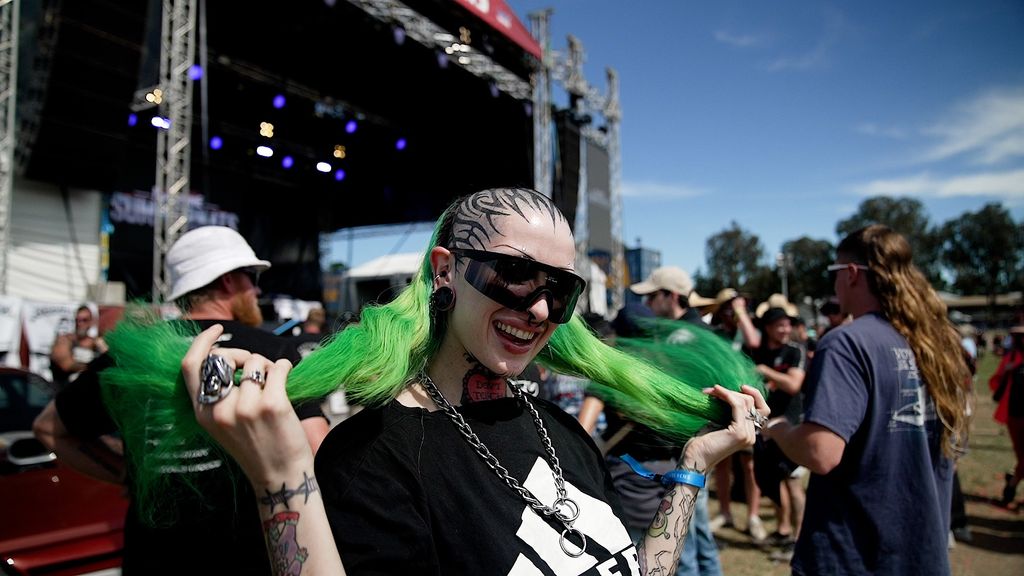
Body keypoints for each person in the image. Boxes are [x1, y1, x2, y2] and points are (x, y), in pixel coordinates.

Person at [105, 188, 770, 575]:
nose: (537, 309)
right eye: (512, 275)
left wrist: (691, 467)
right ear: (447, 269)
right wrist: (282, 479)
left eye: (560, 290)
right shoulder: (375, 457)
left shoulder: (565, 434)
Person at [32, 225, 330, 576]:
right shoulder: (273, 353)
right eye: (251, 277)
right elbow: (318, 449)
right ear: (228, 281)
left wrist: (130, 475)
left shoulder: (130, 356)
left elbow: (49, 428)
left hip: (152, 560)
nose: (257, 288)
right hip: (246, 558)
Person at [762, 224, 971, 575]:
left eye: (834, 273)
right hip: (921, 552)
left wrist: (779, 429)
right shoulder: (937, 343)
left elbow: (821, 452)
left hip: (855, 555)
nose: (834, 284)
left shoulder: (846, 343)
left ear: (852, 274)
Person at [703, 288, 764, 541]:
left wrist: (741, 312)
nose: (733, 310)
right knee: (722, 462)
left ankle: (753, 516)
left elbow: (754, 342)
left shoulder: (748, 328)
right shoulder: (716, 334)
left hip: (747, 404)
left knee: (749, 465)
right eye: (728, 306)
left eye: (737, 305)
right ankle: (726, 513)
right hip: (722, 404)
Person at [748, 304, 806, 561]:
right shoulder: (759, 350)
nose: (785, 329)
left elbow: (794, 385)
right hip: (766, 428)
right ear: (768, 328)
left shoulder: (794, 352)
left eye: (788, 324)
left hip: (793, 425)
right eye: (780, 325)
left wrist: (766, 372)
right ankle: (783, 531)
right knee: (774, 480)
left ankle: (799, 539)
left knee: (793, 482)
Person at [990, 324, 1024, 507]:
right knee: (1022, 458)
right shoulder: (1011, 357)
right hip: (1015, 415)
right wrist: (1007, 372)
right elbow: (994, 384)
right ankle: (1011, 485)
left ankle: (1011, 485)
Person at [49, 304, 108, 386]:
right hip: (66, 390)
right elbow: (67, 366)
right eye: (77, 320)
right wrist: (94, 366)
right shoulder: (64, 340)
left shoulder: (96, 342)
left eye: (84, 320)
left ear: (91, 322)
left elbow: (108, 359)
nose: (80, 323)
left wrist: (102, 347)